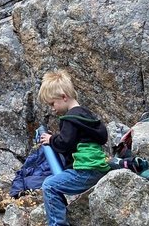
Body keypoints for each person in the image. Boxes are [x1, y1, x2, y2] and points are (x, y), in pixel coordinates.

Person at [38, 69, 109, 226]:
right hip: (98, 169)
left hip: (84, 172)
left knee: (49, 186)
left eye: (52, 103)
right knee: (51, 181)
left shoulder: (70, 119)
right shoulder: (86, 115)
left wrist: (51, 139)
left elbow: (65, 143)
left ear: (64, 97)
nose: (52, 108)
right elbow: (102, 136)